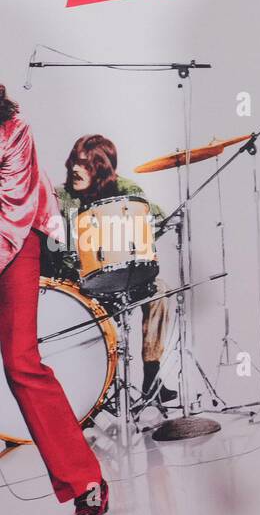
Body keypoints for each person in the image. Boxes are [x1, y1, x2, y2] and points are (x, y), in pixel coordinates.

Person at [0, 85, 109, 515]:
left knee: (21, 363)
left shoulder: (14, 131)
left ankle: (85, 481)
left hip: (15, 237)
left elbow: (13, 210)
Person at [43, 134, 176, 407]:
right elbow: (46, 246)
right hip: (77, 284)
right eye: (73, 163)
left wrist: (139, 236)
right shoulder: (59, 196)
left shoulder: (126, 190)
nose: (75, 170)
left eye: (84, 165)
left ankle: (152, 375)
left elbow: (158, 219)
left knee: (160, 290)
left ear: (101, 167)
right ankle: (93, 394)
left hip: (123, 276)